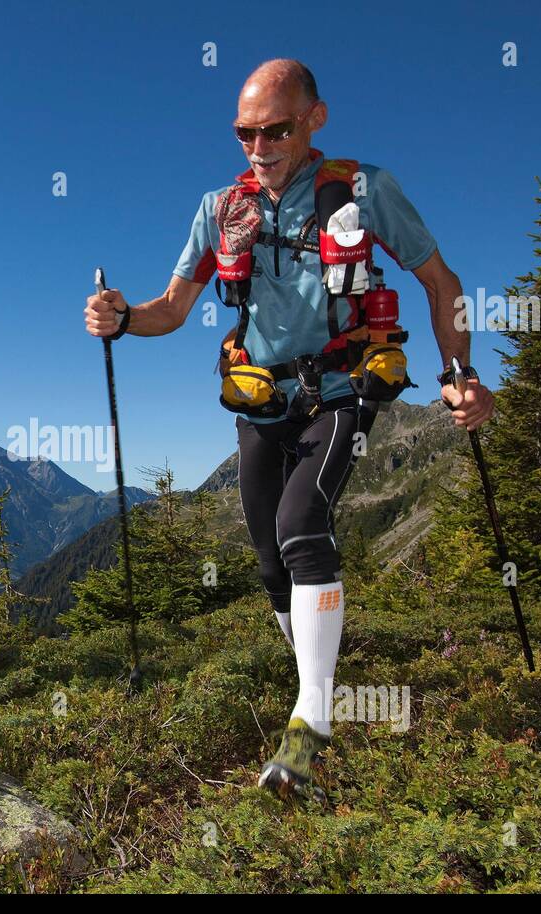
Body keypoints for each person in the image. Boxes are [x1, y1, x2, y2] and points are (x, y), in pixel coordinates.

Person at [83, 58, 495, 801]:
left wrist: (459, 375)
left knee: (305, 524)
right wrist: (120, 317)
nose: (259, 146)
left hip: (343, 387)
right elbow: (170, 310)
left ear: (315, 118)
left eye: (276, 128)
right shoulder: (220, 208)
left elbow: (443, 283)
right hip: (261, 397)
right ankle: (321, 679)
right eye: (245, 133)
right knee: (271, 562)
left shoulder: (365, 189)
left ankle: (310, 725)